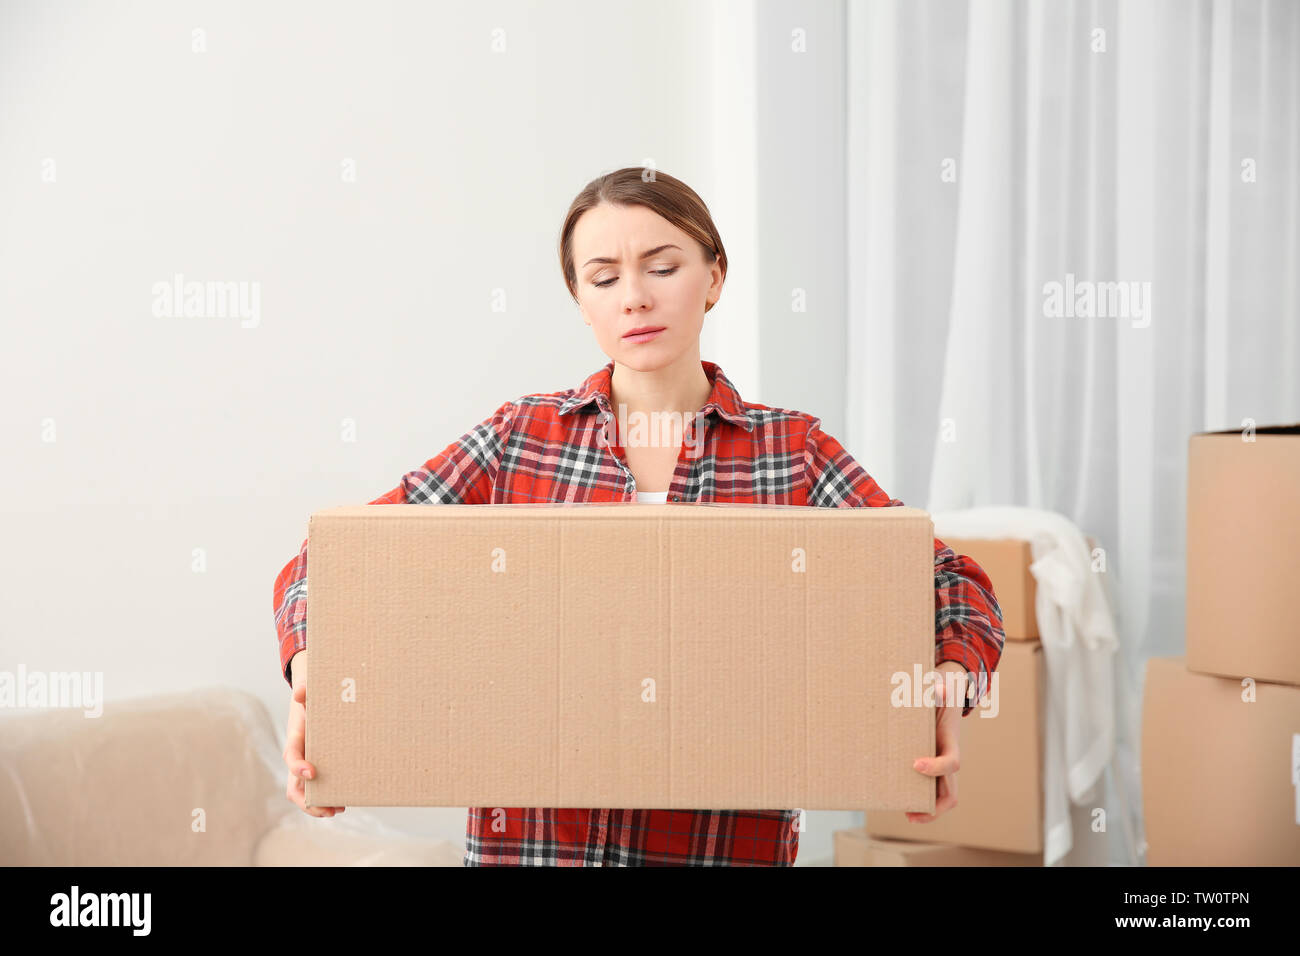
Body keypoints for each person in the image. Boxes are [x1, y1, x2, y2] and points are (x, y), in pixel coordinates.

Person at [274, 166, 1006, 866]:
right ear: (579, 297)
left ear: (714, 277)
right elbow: (337, 562)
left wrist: (944, 685)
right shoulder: (517, 440)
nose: (634, 297)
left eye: (662, 266)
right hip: (531, 852)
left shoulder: (792, 452)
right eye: (603, 277)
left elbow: (950, 580)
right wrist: (315, 677)